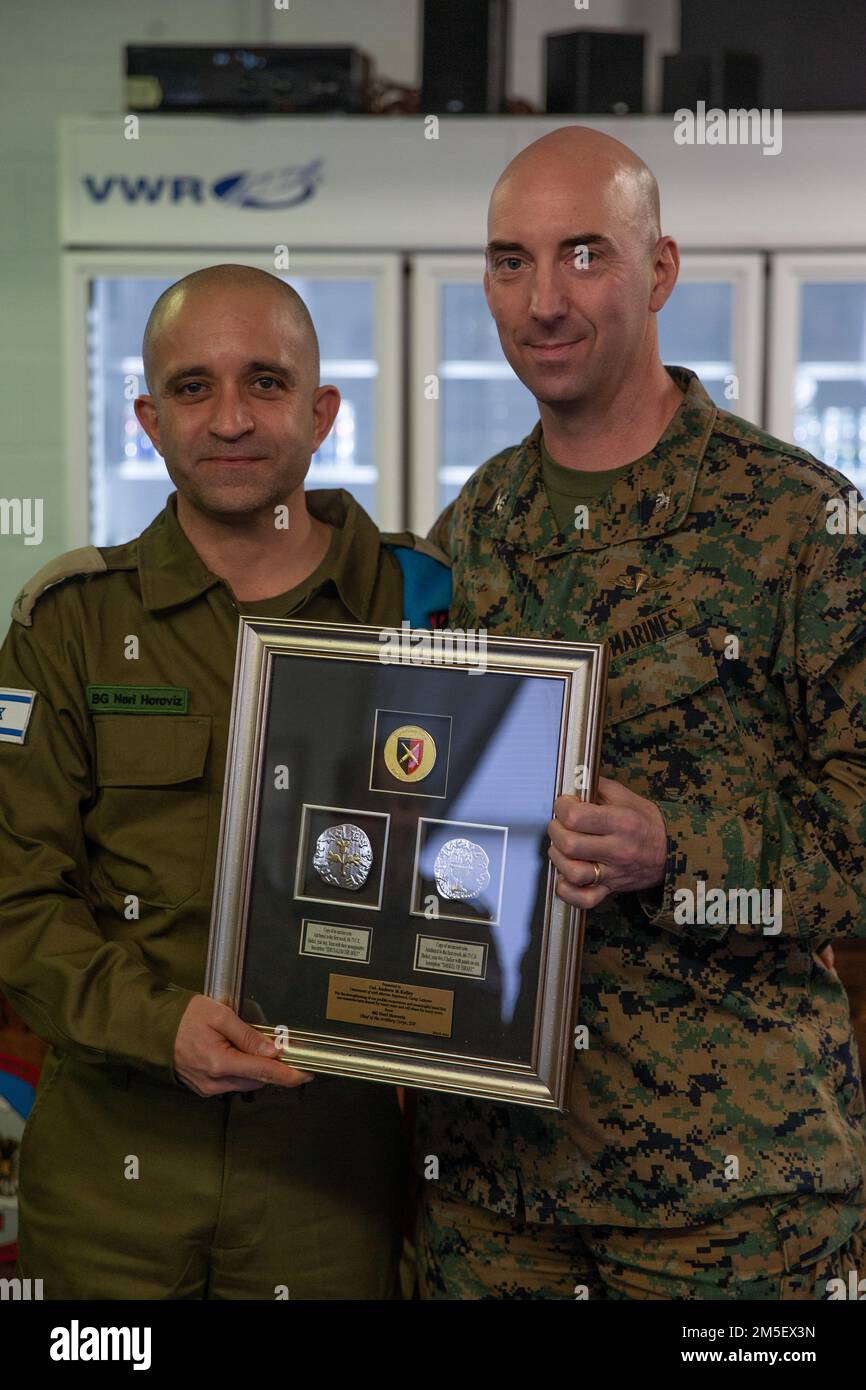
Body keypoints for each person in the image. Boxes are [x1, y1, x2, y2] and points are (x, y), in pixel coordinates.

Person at [415, 126, 866, 1300]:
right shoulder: (475, 526)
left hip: (728, 1195)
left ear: (658, 270)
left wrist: (677, 851)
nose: (542, 300)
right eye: (510, 262)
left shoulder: (798, 522)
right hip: (496, 1181)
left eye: (583, 256)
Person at [0, 264, 449, 1299]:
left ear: (322, 410)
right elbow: (16, 898)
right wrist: (159, 1026)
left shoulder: (415, 601)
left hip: (327, 1169)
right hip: (114, 1165)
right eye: (194, 388)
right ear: (149, 420)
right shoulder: (68, 624)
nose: (232, 418)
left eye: (266, 381)